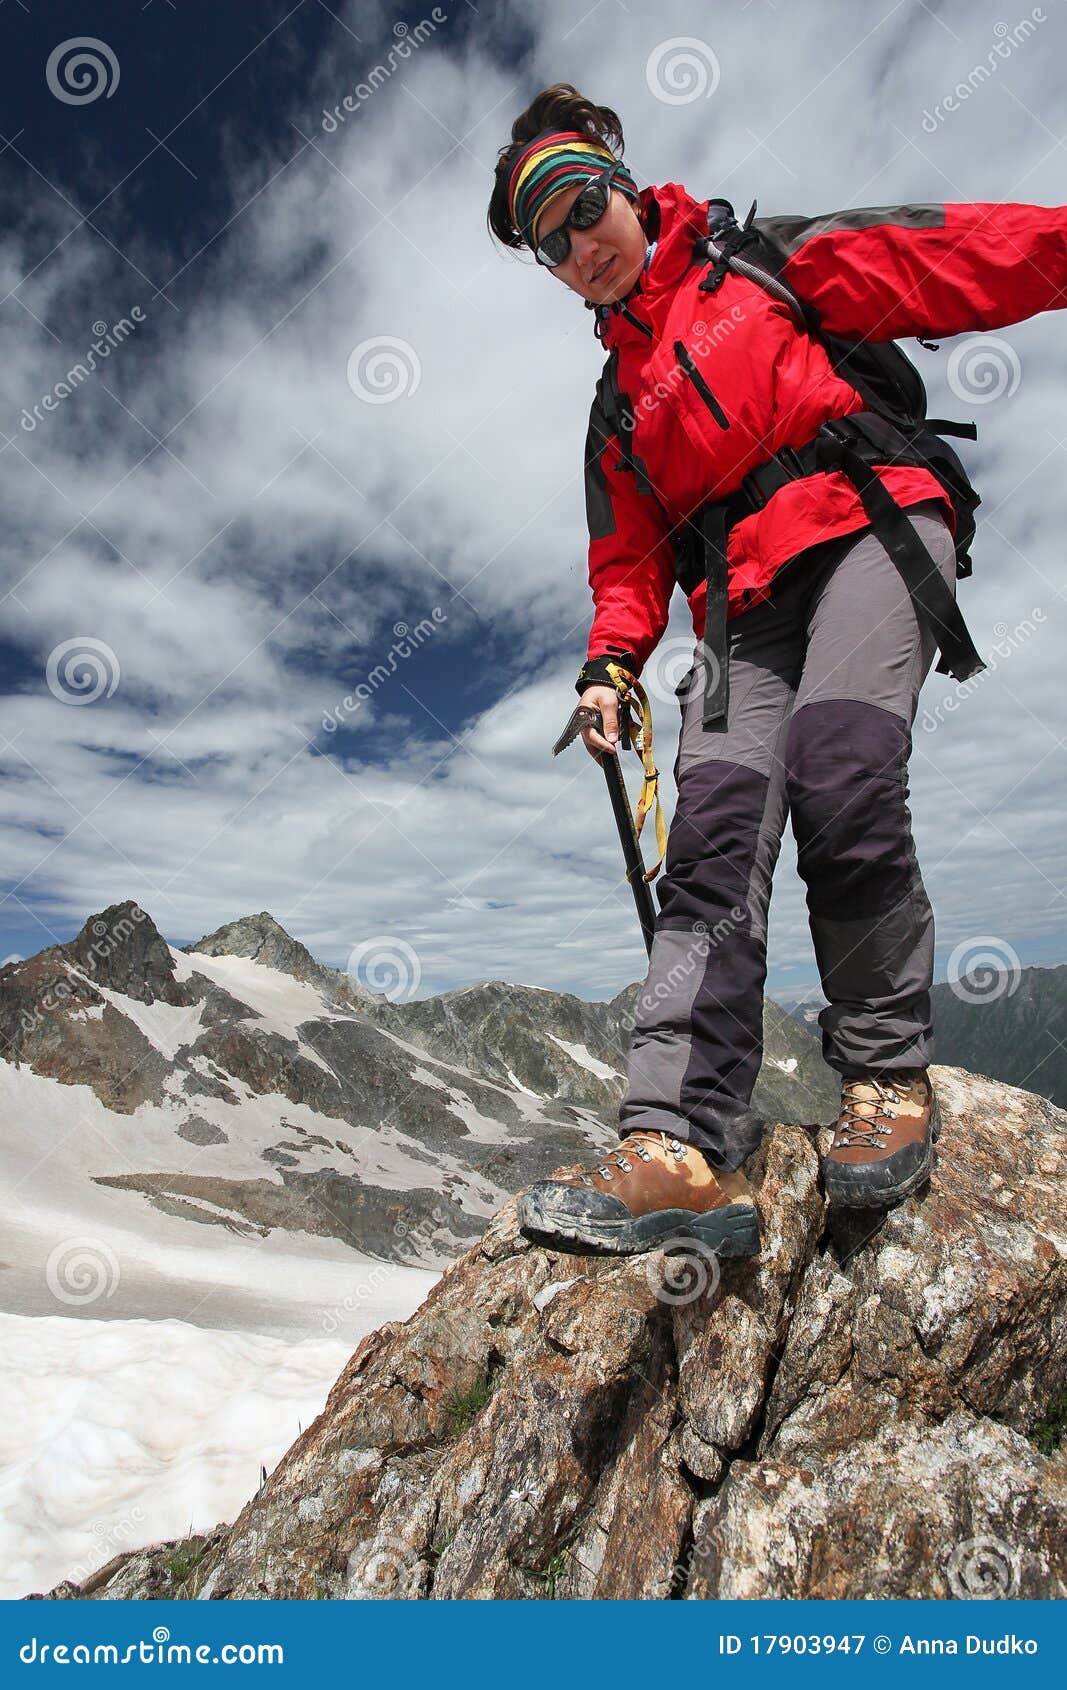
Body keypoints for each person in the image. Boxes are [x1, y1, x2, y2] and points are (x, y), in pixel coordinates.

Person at [486, 83, 1067, 1261]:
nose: (577, 243)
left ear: (620, 181)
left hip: (866, 521)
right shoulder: (615, 420)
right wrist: (608, 665)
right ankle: (675, 1144)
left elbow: (947, 259)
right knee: (711, 838)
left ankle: (883, 1074)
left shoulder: (758, 263)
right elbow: (626, 568)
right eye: (548, 240)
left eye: (581, 204)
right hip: (738, 604)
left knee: (836, 763)